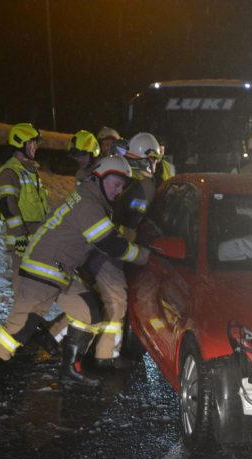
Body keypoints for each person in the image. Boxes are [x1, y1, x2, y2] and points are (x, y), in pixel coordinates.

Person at [0, 156, 150, 387]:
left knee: (88, 313)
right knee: (19, 328)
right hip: (43, 270)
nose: (119, 190)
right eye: (115, 184)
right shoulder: (89, 204)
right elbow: (112, 245)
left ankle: (71, 370)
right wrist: (146, 256)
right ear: (99, 177)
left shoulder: (91, 199)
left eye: (122, 186)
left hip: (58, 271)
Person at [82, 132, 163, 370]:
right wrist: (135, 252)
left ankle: (69, 343)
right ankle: (105, 356)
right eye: (155, 158)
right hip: (112, 248)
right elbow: (132, 224)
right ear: (149, 158)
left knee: (98, 298)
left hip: (98, 244)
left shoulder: (124, 175)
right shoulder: (145, 184)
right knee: (116, 301)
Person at [0, 123, 49, 275]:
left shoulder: (29, 170)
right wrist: (20, 236)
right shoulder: (10, 171)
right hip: (22, 241)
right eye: (32, 143)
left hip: (33, 237)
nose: (35, 147)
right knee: (24, 281)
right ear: (21, 143)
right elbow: (7, 204)